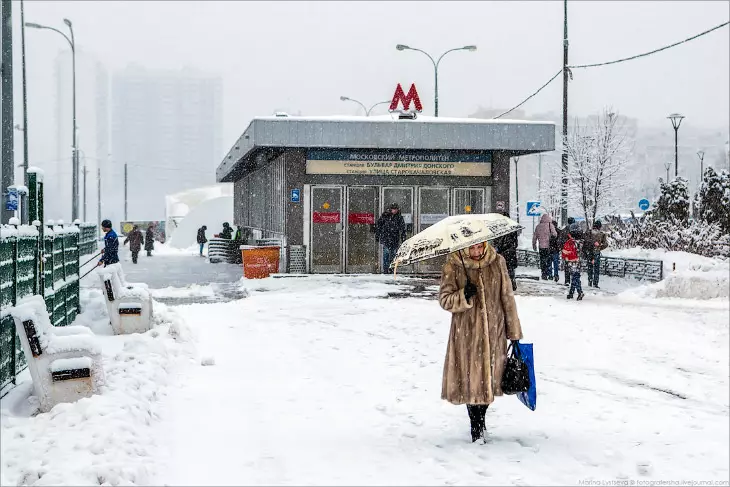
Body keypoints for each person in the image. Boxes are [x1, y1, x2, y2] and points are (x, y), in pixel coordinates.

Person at [438, 241, 524, 443]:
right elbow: (444, 299)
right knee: (472, 385)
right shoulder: (453, 264)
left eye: (480, 247)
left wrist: (514, 332)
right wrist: (463, 295)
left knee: (490, 382)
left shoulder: (497, 262)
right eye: (473, 248)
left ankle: (481, 422)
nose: (477, 251)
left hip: (495, 333)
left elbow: (507, 298)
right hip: (466, 335)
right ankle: (475, 429)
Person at [375, 203, 406, 274]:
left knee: (393, 254)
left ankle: (391, 269)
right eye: (393, 209)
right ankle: (386, 269)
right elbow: (379, 226)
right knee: (386, 254)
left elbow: (403, 229)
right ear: (391, 209)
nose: (394, 211)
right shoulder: (385, 216)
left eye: (396, 209)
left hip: (394, 238)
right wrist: (377, 235)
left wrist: (403, 237)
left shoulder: (399, 217)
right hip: (386, 238)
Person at [493, 211, 519, 291]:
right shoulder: (512, 228)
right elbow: (515, 243)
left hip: (502, 253)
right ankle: (512, 284)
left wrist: (498, 248)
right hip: (510, 253)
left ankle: (503, 286)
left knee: (501, 269)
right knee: (510, 269)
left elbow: (496, 241)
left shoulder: (498, 228)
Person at [583, 220, 609, 288]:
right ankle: (595, 284)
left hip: (589, 252)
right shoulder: (602, 234)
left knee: (590, 268)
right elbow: (606, 244)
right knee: (596, 269)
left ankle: (590, 282)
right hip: (596, 253)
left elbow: (584, 242)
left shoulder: (588, 232)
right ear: (599, 226)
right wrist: (599, 247)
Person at [532, 213, 557, 280]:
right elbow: (555, 234)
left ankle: (544, 274)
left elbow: (534, 237)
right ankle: (549, 274)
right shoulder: (550, 225)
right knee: (548, 260)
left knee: (542, 260)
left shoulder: (538, 226)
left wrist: (534, 245)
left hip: (541, 247)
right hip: (549, 246)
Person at [562, 231, 584, 300]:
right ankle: (571, 293)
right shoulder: (581, 242)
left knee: (575, 278)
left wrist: (565, 255)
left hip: (572, 262)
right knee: (576, 277)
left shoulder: (570, 242)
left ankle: (580, 292)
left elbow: (567, 252)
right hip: (579, 262)